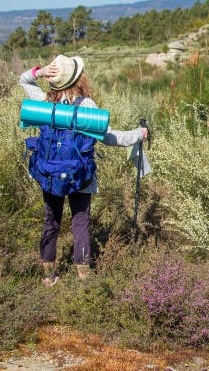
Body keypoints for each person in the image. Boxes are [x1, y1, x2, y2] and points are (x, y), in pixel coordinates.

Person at [19, 54, 146, 286]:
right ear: (79, 78)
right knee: (80, 223)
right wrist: (138, 134)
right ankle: (84, 280)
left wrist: (40, 72)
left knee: (51, 221)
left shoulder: (45, 105)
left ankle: (48, 277)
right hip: (80, 176)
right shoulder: (87, 106)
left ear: (55, 80)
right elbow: (108, 137)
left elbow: (23, 80)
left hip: (51, 174)